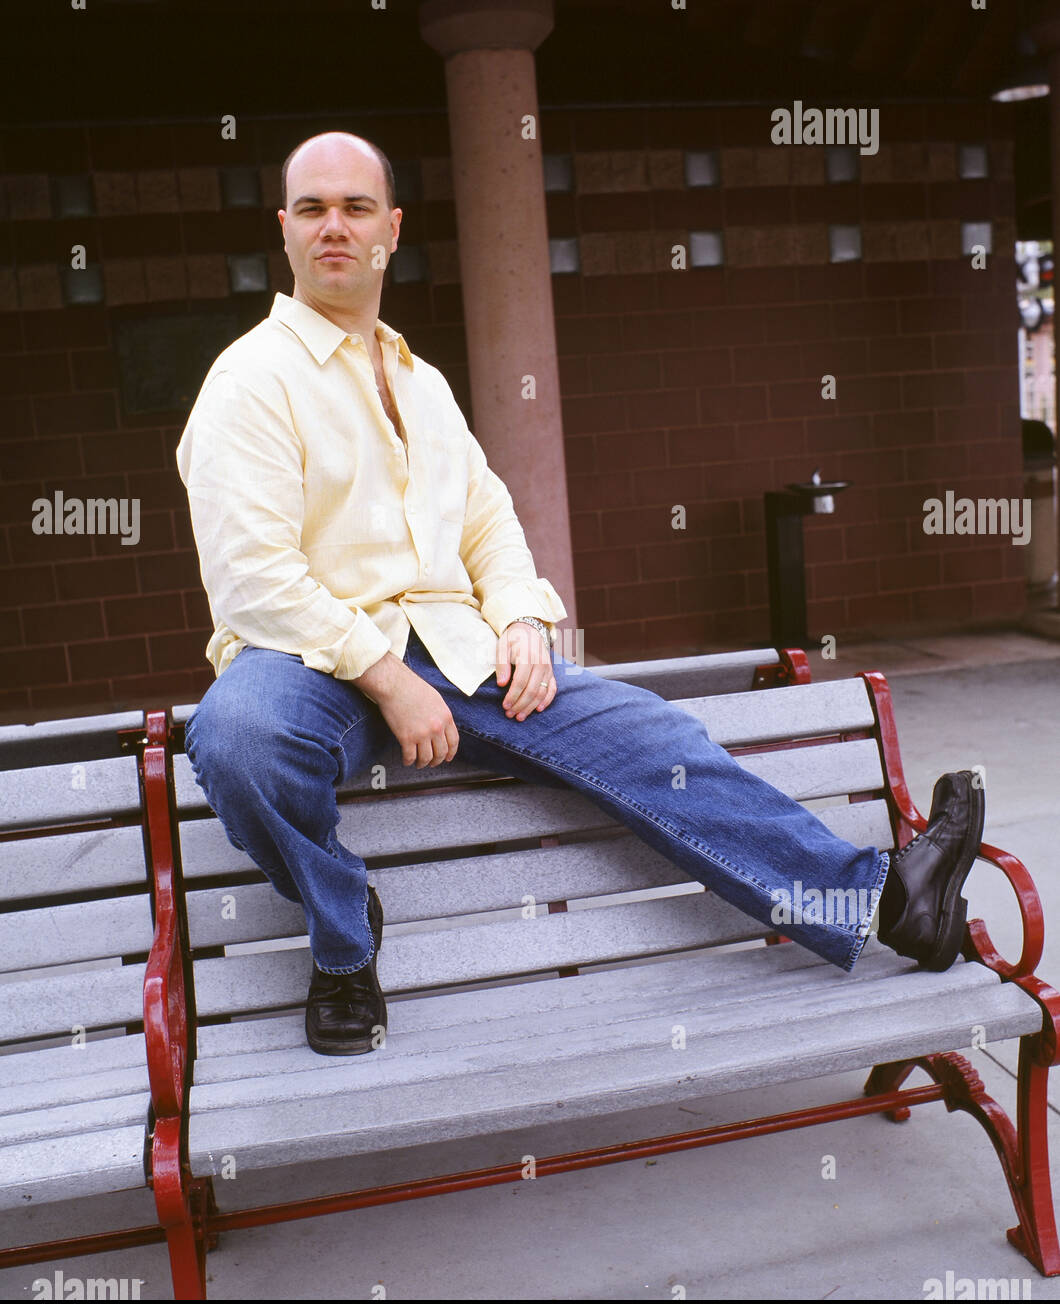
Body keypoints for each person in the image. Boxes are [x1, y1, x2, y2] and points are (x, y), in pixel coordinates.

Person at [176, 131, 985, 1058]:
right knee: (238, 738)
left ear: (391, 231)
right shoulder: (249, 381)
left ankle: (887, 900)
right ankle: (344, 940)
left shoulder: (420, 382)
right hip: (309, 665)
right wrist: (383, 677)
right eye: (313, 209)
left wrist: (520, 614)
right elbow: (253, 577)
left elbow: (485, 519)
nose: (334, 227)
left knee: (654, 739)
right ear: (284, 229)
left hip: (455, 649)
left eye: (356, 208)